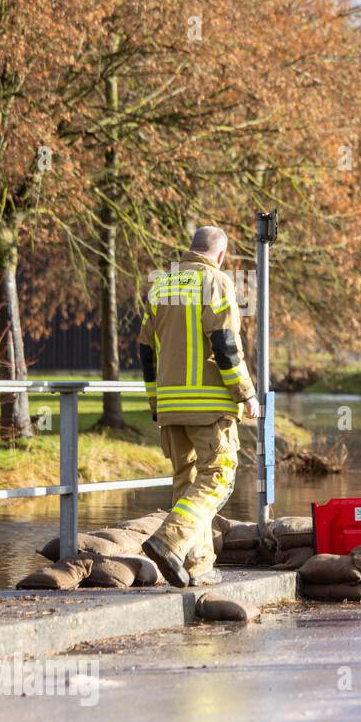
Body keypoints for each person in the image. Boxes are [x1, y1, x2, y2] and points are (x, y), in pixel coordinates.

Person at [139, 226, 260, 588]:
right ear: (219, 256)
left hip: (172, 406)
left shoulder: (161, 284)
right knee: (219, 477)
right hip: (209, 405)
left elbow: (146, 350)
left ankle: (197, 566)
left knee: (187, 481)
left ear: (190, 248)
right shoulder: (217, 282)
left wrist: (155, 403)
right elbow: (225, 344)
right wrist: (246, 393)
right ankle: (170, 541)